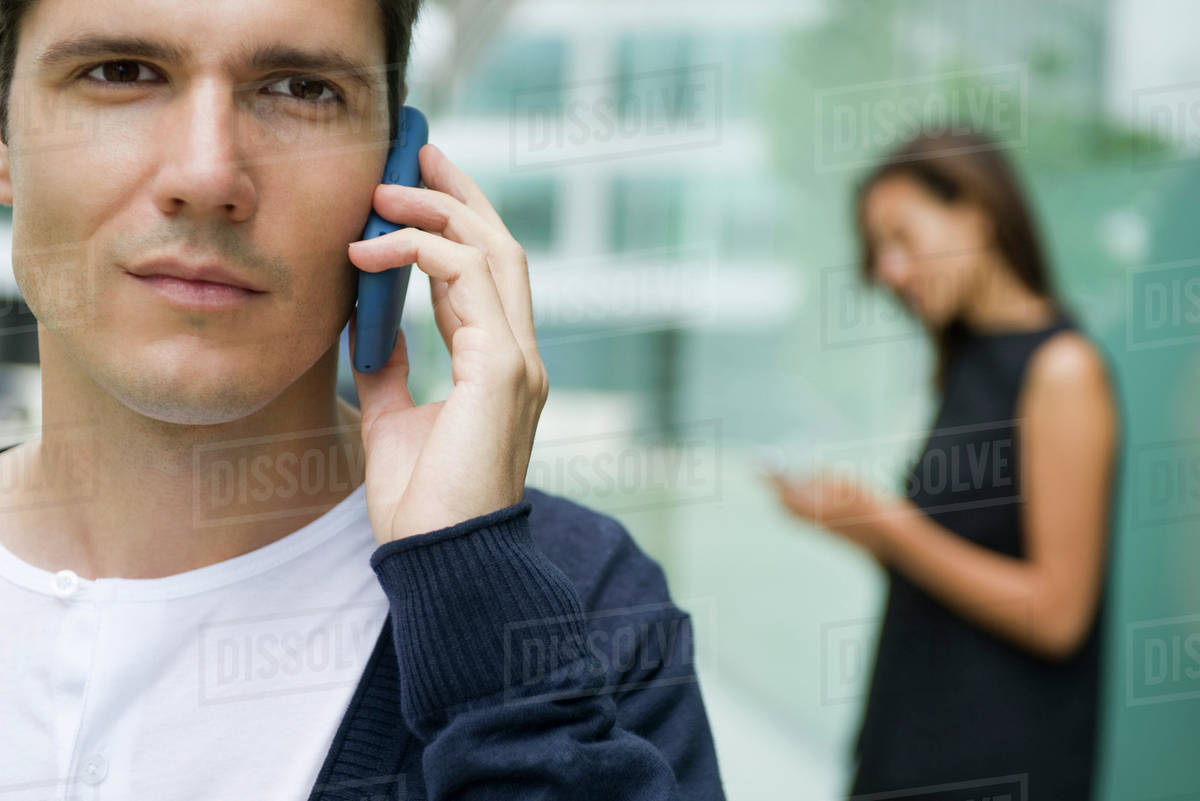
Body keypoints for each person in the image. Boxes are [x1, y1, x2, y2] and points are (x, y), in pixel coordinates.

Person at [0, 1, 725, 799]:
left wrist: (474, 601)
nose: (207, 177)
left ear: (395, 170)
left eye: (300, 87)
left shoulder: (582, 607)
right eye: (120, 73)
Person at [763, 131, 1119, 800]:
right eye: (878, 252)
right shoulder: (965, 363)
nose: (889, 271)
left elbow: (1058, 613)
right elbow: (957, 570)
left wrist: (895, 528)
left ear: (976, 213)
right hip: (908, 750)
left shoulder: (1063, 370)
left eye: (902, 237)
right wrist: (863, 529)